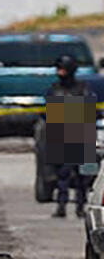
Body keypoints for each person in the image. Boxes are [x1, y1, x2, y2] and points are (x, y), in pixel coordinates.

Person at [45, 54, 91, 218]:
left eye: (63, 69)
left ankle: (80, 206)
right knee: (62, 176)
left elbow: (90, 111)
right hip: (60, 134)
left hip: (80, 134)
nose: (60, 72)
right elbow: (47, 113)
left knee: (81, 177)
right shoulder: (54, 88)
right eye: (58, 69)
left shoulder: (82, 88)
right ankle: (61, 206)